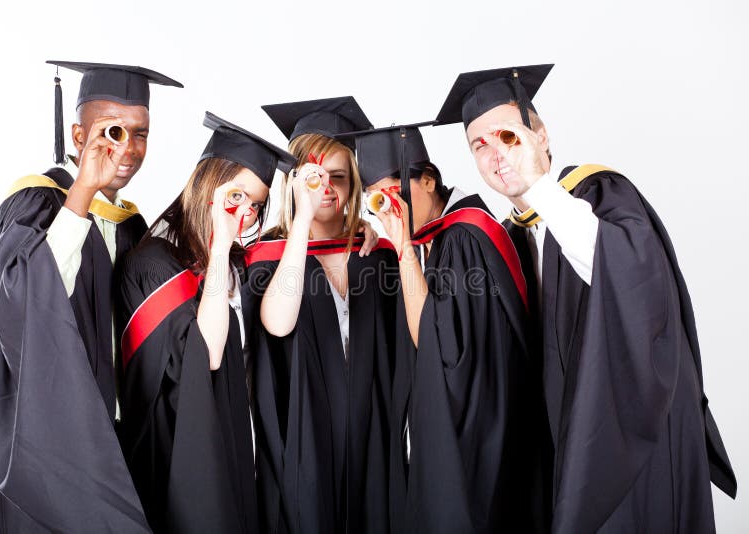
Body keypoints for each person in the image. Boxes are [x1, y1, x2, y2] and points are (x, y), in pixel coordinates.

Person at [435, 64, 737, 533]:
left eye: (509, 137)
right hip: (565, 442)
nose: (497, 155)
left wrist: (538, 185)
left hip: (629, 437)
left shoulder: (597, 194)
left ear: (541, 135)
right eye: (481, 145)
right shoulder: (511, 237)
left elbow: (624, 275)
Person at [0, 60, 181, 533]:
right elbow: (21, 303)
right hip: (46, 449)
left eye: (140, 133)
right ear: (78, 134)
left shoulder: (130, 224)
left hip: (117, 443)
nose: (127, 148)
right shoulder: (33, 205)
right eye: (112, 131)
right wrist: (82, 190)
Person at [350, 123, 549, 534]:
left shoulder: (462, 238)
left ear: (428, 179)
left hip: (485, 439)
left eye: (394, 191)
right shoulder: (447, 235)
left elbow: (436, 342)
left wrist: (403, 247)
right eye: (377, 201)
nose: (390, 208)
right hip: (494, 425)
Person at [117, 112, 294, 533]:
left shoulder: (236, 263)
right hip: (182, 454)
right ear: (207, 184)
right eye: (236, 197)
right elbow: (208, 355)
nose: (246, 215)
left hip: (238, 440)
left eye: (255, 205)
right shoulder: (154, 264)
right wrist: (217, 251)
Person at [246, 96, 395, 534]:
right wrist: (302, 219)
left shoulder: (377, 255)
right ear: (293, 182)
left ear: (354, 184)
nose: (327, 188)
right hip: (301, 437)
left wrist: (368, 230)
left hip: (371, 436)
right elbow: (277, 323)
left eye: (338, 178)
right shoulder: (268, 256)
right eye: (314, 179)